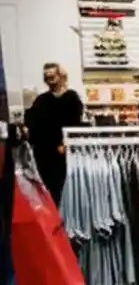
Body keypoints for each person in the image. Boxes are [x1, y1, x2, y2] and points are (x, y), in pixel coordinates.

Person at [25, 62, 83, 205]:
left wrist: (64, 144)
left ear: (61, 76)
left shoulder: (72, 98)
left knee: (63, 189)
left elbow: (74, 124)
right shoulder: (41, 100)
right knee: (46, 191)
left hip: (62, 153)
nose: (49, 80)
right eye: (46, 77)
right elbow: (31, 122)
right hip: (42, 154)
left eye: (52, 76)